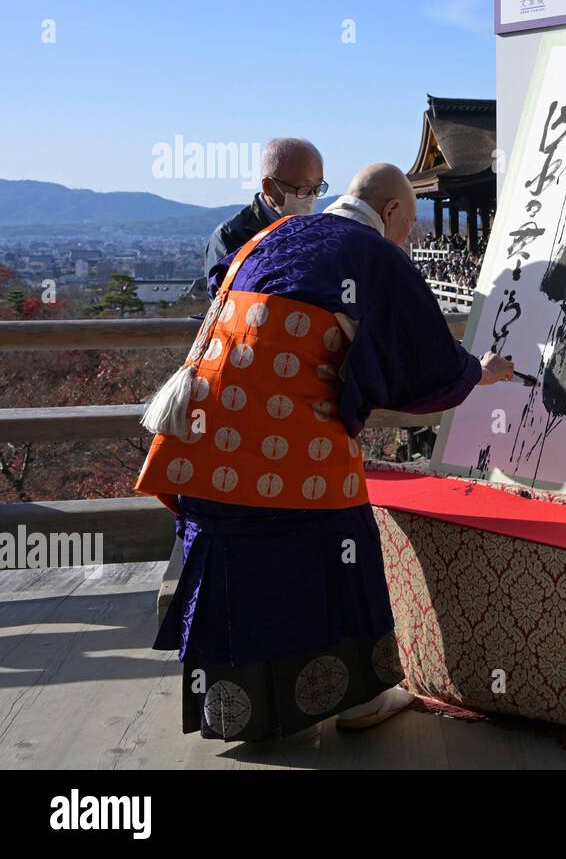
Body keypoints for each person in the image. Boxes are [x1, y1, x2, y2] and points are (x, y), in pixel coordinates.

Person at [137, 162, 514, 741]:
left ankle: (238, 712)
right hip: (288, 448)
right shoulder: (372, 254)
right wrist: (478, 373)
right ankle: (358, 702)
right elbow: (425, 368)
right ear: (390, 211)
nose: (409, 239)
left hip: (206, 441)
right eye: (410, 225)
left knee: (236, 564)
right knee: (340, 546)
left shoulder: (272, 235)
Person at [204, 137, 328, 284]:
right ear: (268, 186)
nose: (311, 197)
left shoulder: (317, 230)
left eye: (318, 188)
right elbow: (224, 298)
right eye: (302, 188)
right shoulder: (231, 237)